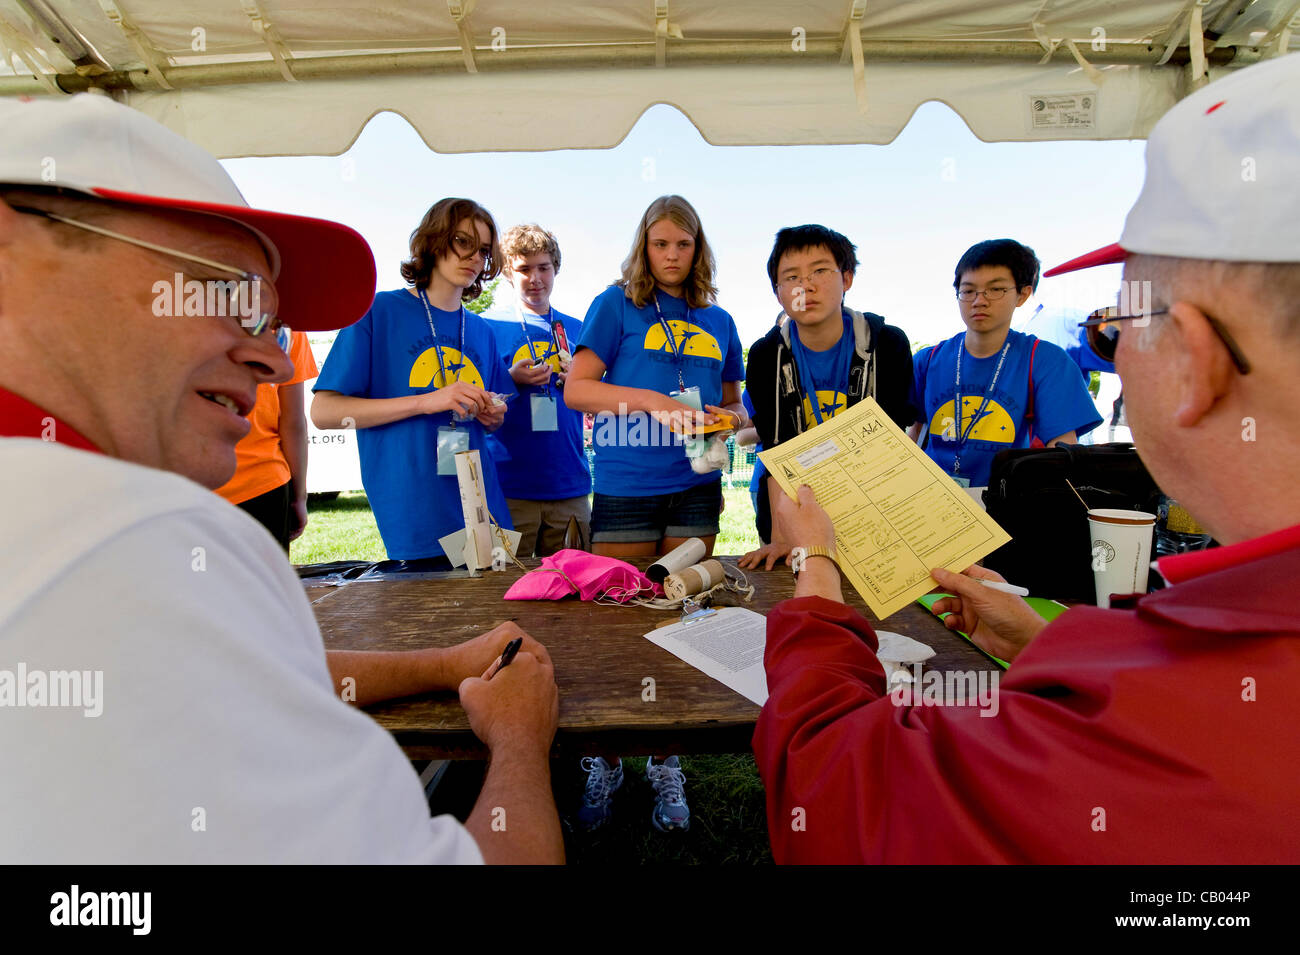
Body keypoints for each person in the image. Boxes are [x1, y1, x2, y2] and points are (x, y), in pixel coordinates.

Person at [751, 52, 1300, 863]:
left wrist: (818, 565)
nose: (1109, 350)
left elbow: (830, 787)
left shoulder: (1151, 733)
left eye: (1119, 324)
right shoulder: (1229, 660)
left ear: (1195, 361)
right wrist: (1051, 642)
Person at [0, 94, 562, 864]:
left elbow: (252, 668)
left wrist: (443, 663)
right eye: (221, 289)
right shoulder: (120, 537)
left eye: (269, 317)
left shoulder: (80, 522)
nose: (270, 358)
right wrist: (521, 736)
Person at [564, 194, 747, 833]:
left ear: (699, 249)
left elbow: (736, 403)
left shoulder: (719, 318)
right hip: (627, 483)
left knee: (681, 615)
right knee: (619, 621)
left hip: (695, 484)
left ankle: (666, 761)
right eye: (660, 243)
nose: (672, 255)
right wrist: (648, 400)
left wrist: (727, 420)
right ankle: (610, 758)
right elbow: (577, 389)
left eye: (683, 244)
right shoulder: (615, 305)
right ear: (644, 246)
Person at [312, 198, 516, 565]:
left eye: (484, 250)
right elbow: (324, 412)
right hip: (416, 513)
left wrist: (492, 415)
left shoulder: (482, 330)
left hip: (484, 508)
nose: (474, 257)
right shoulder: (378, 312)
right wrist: (426, 401)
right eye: (463, 242)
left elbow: (495, 420)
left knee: (496, 598)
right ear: (434, 240)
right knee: (429, 602)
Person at [740, 225, 917, 569]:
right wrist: (780, 538)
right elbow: (776, 451)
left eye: (820, 271)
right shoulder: (765, 356)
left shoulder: (888, 345)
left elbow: (894, 441)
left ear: (847, 278)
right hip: (794, 509)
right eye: (792, 277)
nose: (806, 286)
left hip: (873, 510)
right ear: (778, 292)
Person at [907, 239, 1101, 488]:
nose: (979, 300)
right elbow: (914, 433)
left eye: (996, 289)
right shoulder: (928, 360)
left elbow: (1062, 451)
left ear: (1022, 294)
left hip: (1008, 502)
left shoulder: (1046, 362)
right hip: (931, 497)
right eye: (968, 291)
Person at [485, 224, 591, 556]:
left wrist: (580, 382)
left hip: (569, 483)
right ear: (507, 272)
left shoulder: (579, 329)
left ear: (555, 268)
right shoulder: (487, 327)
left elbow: (600, 397)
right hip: (508, 486)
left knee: (571, 580)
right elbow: (474, 397)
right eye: (524, 269)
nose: (535, 278)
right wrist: (510, 380)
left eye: (543, 267)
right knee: (505, 581)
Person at [214, 328, 316, 551]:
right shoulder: (287, 325)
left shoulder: (170, 317)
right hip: (263, 487)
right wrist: (299, 497)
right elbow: (292, 421)